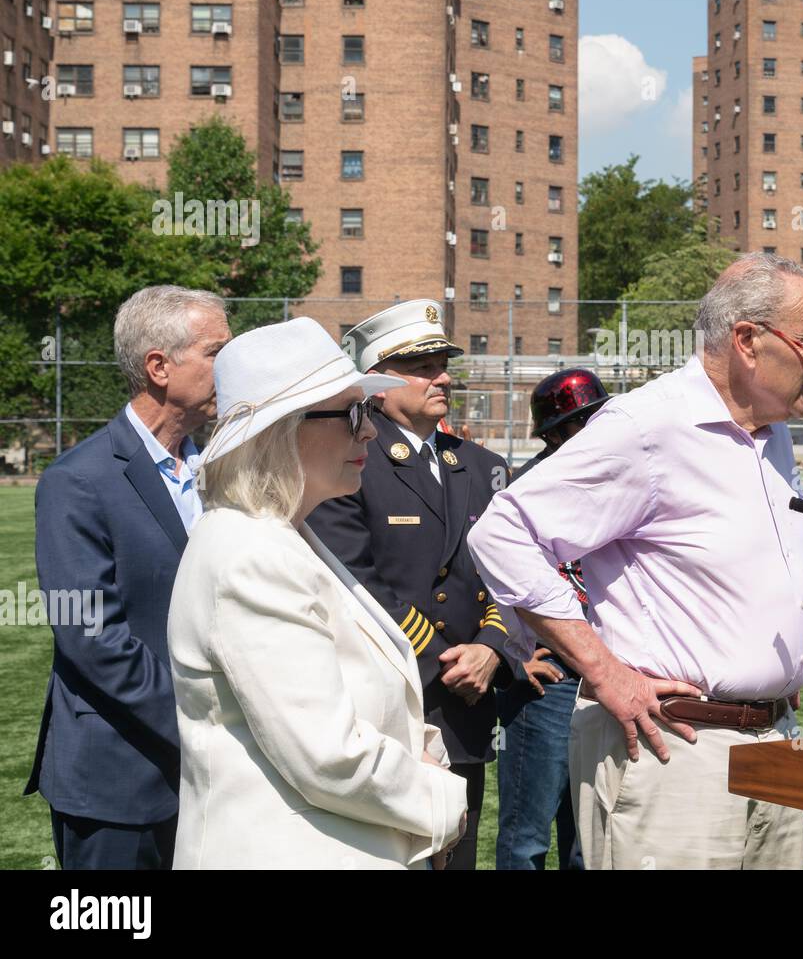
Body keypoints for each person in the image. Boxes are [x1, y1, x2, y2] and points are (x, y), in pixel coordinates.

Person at [469, 252, 803, 870]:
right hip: (676, 753)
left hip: (772, 743)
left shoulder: (770, 430)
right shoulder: (647, 425)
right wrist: (604, 670)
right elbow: (503, 532)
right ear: (747, 341)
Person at [167, 317, 468, 869]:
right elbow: (328, 756)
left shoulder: (284, 536)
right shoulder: (251, 553)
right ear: (283, 429)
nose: (370, 433)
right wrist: (444, 803)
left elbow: (361, 698)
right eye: (355, 413)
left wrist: (424, 753)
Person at [25, 286, 230, 870]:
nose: (231, 366)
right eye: (217, 352)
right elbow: (91, 639)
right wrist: (207, 722)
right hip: (118, 779)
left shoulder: (218, 472)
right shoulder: (77, 481)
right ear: (158, 367)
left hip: (214, 779)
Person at [309, 300, 511, 870]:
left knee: (458, 856)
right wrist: (451, 662)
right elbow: (355, 580)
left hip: (467, 704)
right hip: (389, 704)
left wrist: (491, 651)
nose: (442, 376)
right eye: (422, 366)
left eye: (442, 362)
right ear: (375, 382)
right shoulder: (348, 461)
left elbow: (514, 573)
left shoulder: (482, 465)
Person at [495, 368, 612, 871]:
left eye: (599, 416)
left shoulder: (614, 482)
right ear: (555, 432)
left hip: (611, 670)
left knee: (590, 835)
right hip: (552, 675)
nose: (597, 428)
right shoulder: (528, 491)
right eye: (582, 420)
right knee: (528, 835)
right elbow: (492, 578)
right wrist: (519, 656)